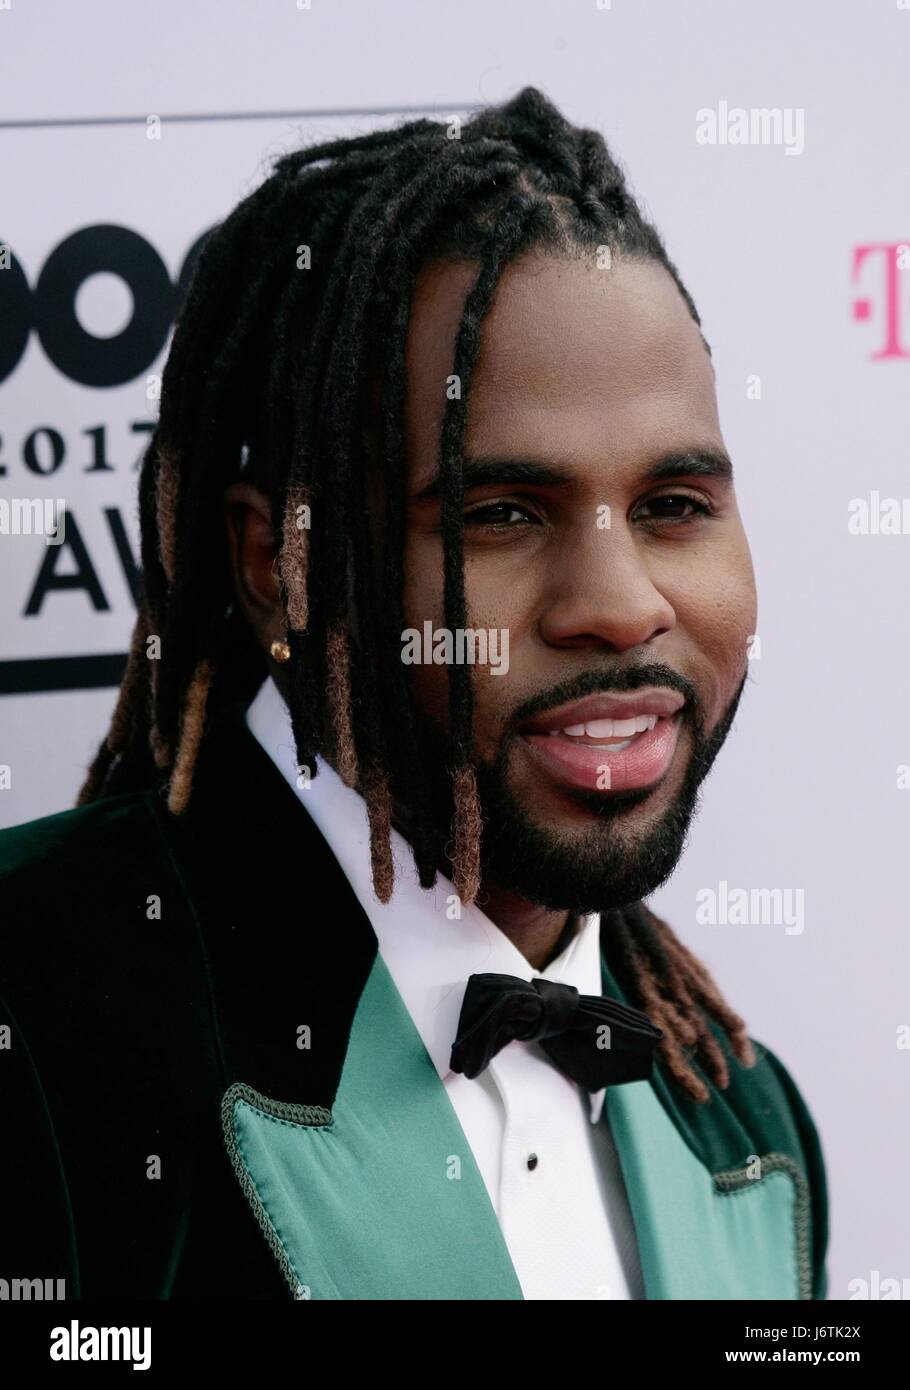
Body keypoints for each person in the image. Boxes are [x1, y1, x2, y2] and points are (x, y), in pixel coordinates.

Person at [0, 86, 827, 1300]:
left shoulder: (744, 1117)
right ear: (276, 568)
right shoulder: (37, 1009)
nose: (620, 604)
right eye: (501, 515)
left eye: (672, 505)